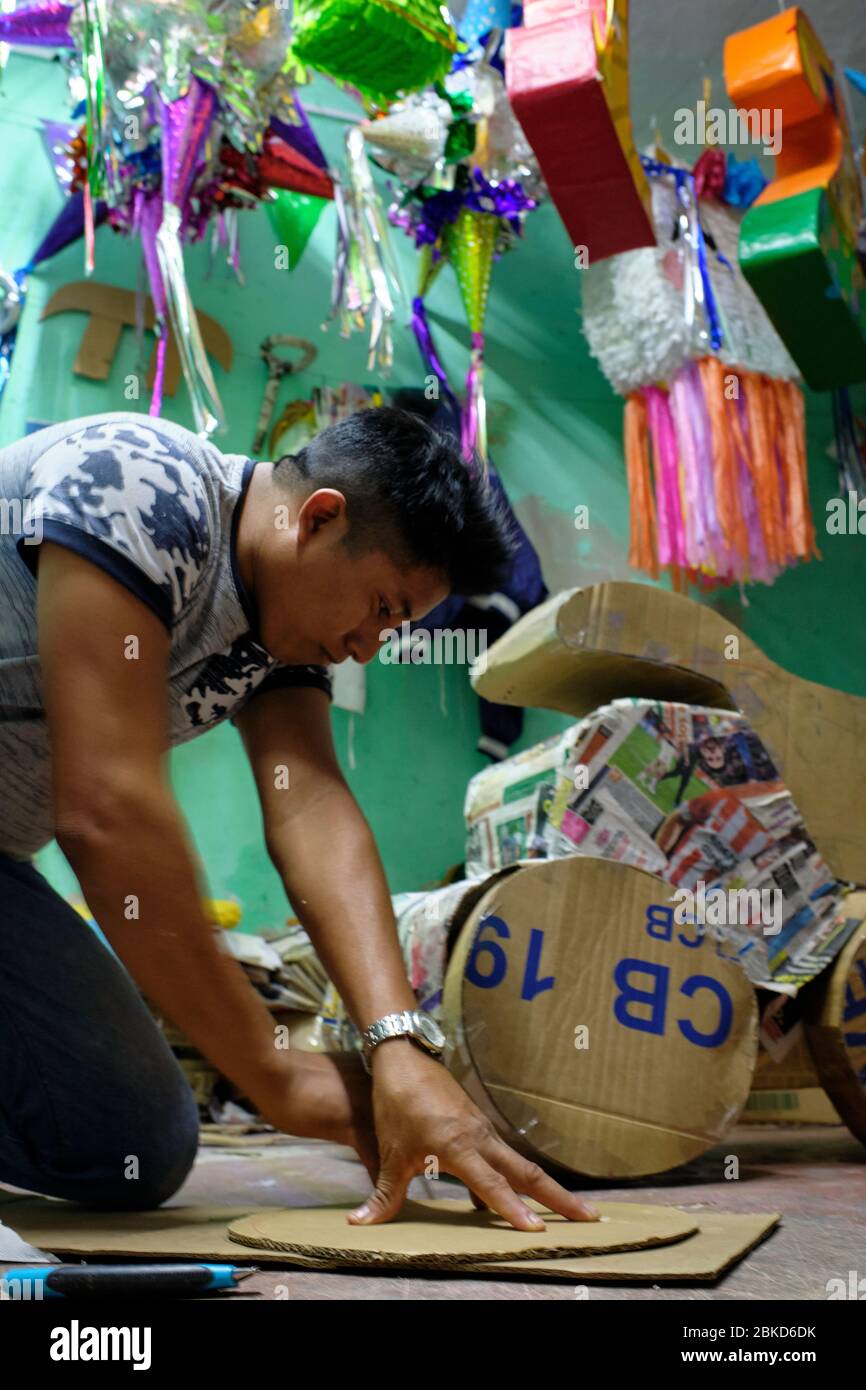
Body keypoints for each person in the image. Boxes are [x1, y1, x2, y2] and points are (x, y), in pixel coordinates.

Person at [0, 407, 596, 1231]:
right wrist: (280, 1080)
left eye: (397, 626)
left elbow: (310, 803)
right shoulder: (141, 486)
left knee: (130, 1141)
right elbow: (105, 811)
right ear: (319, 517)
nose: (368, 647)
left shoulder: (280, 628)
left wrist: (396, 1047)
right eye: (382, 607)